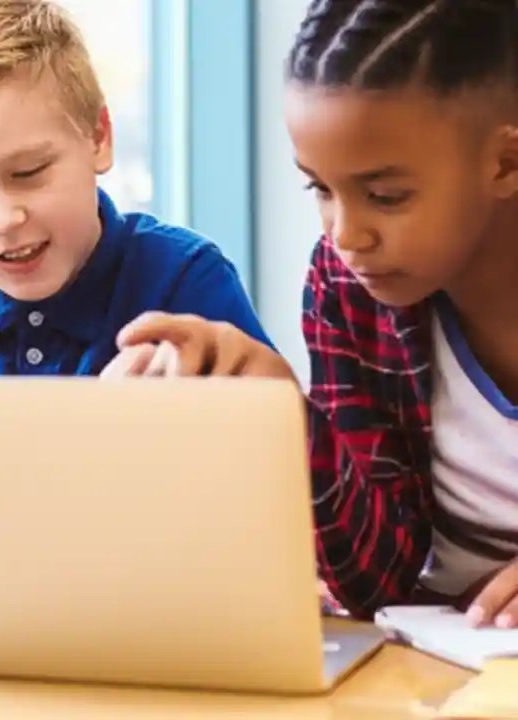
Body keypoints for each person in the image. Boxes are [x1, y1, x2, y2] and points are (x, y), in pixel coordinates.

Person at [124, 0, 518, 624]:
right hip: (442, 660)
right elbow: (376, 582)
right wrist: (286, 411)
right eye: (320, 188)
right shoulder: (347, 285)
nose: (345, 233)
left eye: (385, 196)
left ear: (505, 162)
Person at [0, 0, 272, 377]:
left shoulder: (183, 278)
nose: (2, 219)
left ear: (98, 137)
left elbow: (276, 456)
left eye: (28, 172)